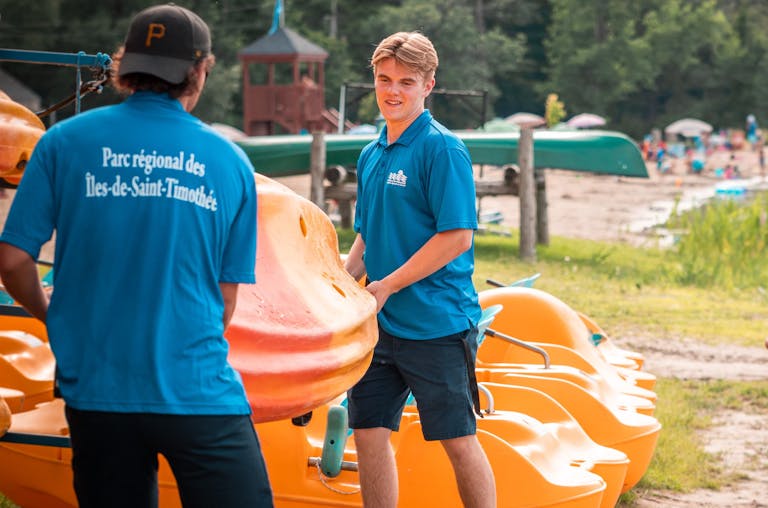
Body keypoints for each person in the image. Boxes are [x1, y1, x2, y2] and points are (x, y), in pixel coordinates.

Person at [0, 4, 273, 507]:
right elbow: (226, 301)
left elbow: (13, 260)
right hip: (196, 389)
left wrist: (51, 314)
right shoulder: (229, 161)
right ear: (199, 70)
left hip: (97, 389)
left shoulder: (61, 142)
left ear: (125, 65)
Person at [344, 32, 496, 508]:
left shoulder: (442, 150)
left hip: (436, 323)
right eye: (384, 80)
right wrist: (344, 278)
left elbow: (456, 237)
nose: (393, 91)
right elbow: (367, 234)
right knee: (368, 436)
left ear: (429, 85)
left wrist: (386, 285)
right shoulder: (371, 153)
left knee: (457, 439)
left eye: (406, 82)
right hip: (378, 324)